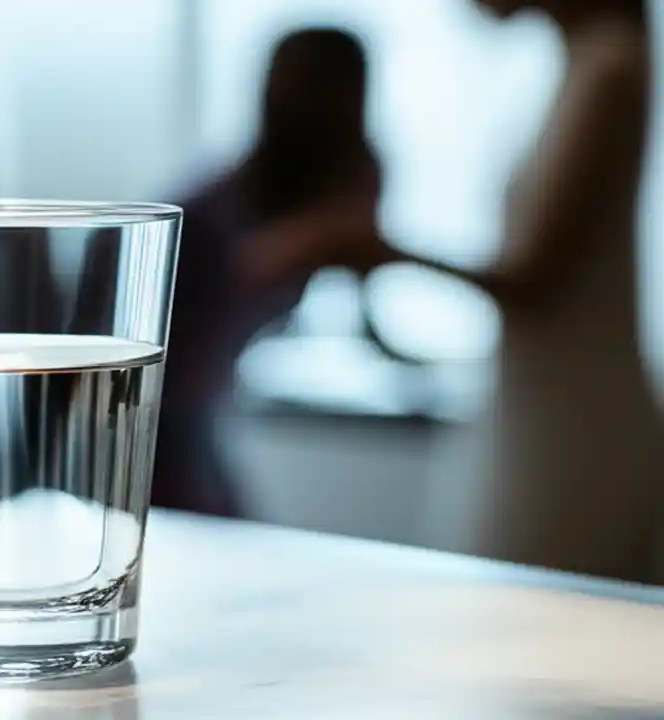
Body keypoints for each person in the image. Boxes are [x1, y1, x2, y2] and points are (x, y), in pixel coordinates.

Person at [273, 0, 660, 580]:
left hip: (576, 422)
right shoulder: (588, 63)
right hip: (549, 400)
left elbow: (539, 278)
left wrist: (382, 249)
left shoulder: (609, 70)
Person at [152, 29, 383, 516]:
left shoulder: (352, 178)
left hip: (198, 404)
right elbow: (246, 274)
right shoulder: (222, 203)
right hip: (153, 404)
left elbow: (365, 294)